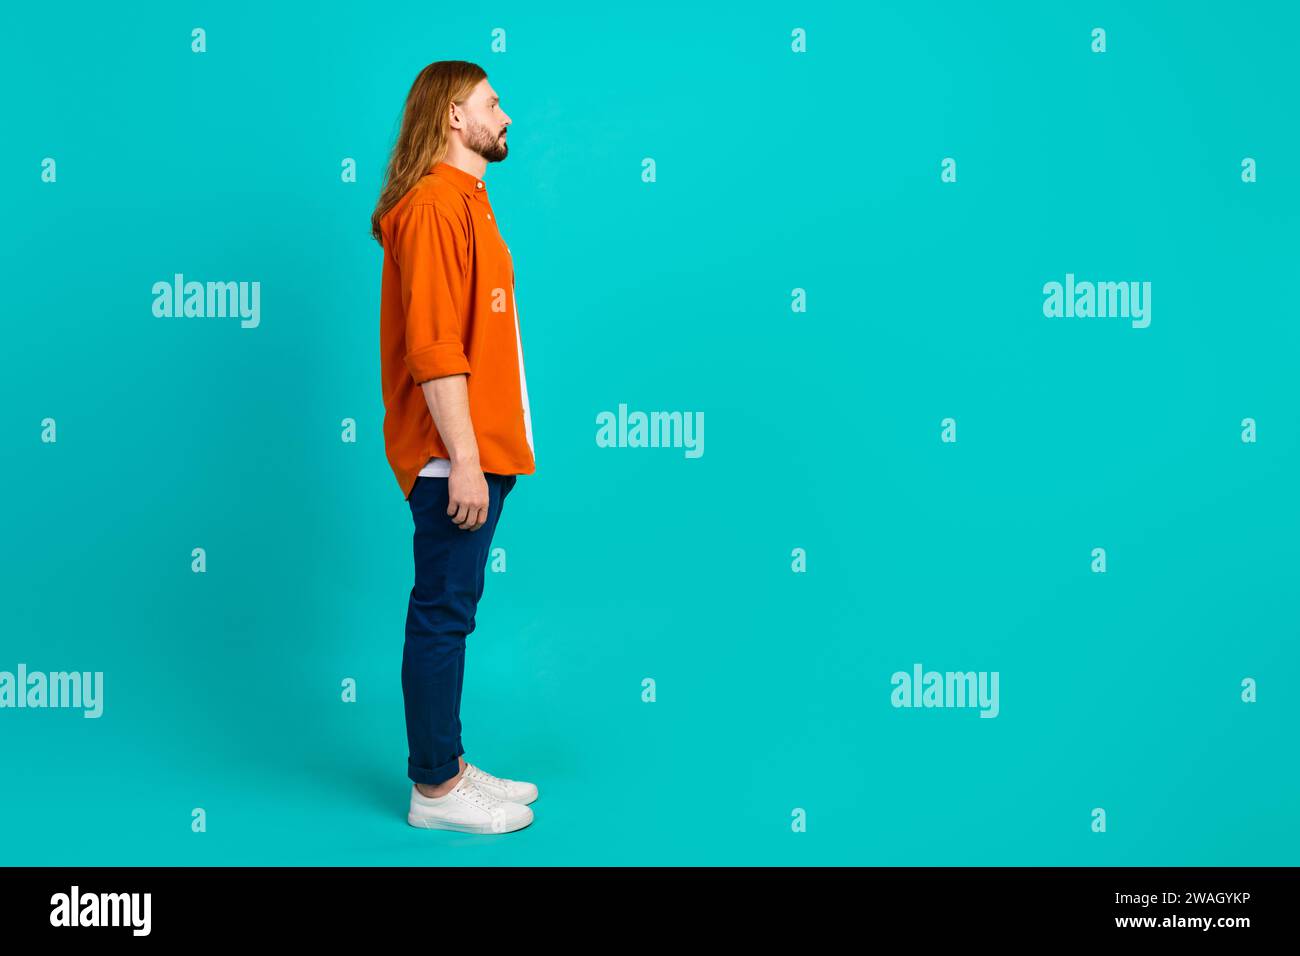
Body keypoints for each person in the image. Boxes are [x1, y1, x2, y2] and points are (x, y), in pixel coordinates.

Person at [372, 60, 538, 834]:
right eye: (492, 103)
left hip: (479, 450)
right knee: (441, 613)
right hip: (453, 459)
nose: (505, 116)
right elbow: (434, 348)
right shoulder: (435, 206)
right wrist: (465, 459)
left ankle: (448, 761)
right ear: (453, 118)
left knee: (454, 611)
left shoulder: (468, 202)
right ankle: (434, 790)